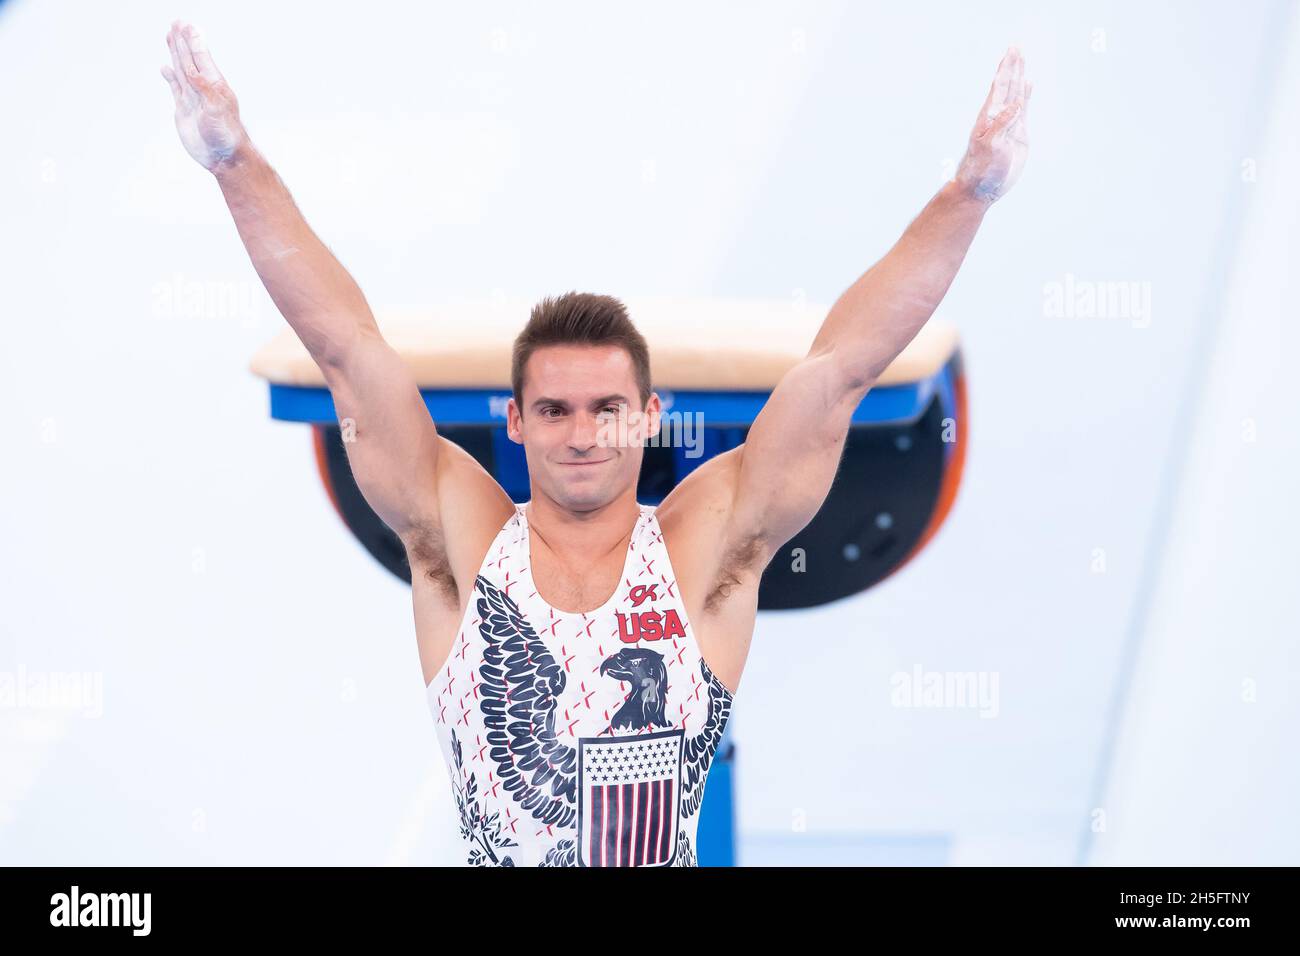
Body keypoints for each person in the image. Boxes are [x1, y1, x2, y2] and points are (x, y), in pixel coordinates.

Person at [161, 20, 1030, 866]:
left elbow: (842, 367)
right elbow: (346, 348)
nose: (583, 434)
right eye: (556, 411)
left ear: (650, 416)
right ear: (514, 420)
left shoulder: (702, 547)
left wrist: (970, 193)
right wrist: (235, 162)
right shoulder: (460, 544)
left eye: (607, 408)